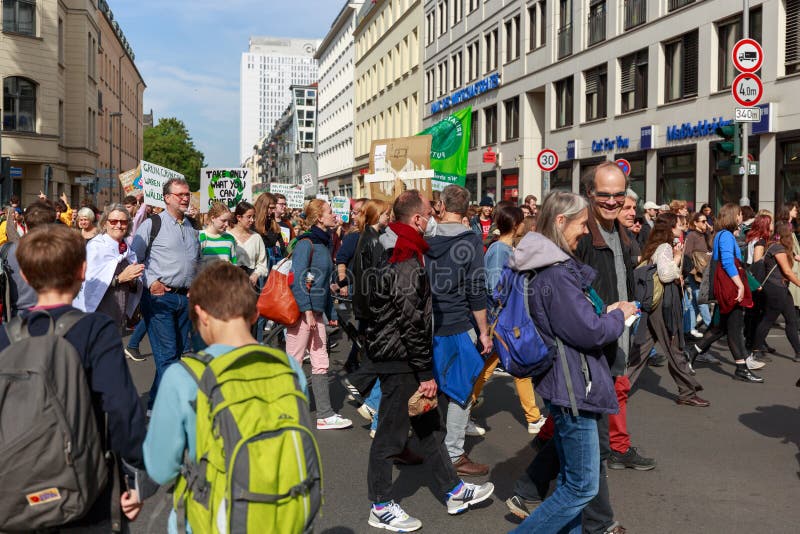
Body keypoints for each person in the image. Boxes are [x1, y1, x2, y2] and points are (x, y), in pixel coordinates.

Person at [2, 224, 152, 530]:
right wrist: (136, 473)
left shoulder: (4, 337)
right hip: (86, 487)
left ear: (26, 277)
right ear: (83, 271)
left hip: (16, 486)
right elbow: (122, 409)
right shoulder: (95, 330)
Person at [143, 261, 309, 533]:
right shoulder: (289, 369)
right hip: (281, 514)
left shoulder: (185, 376)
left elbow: (161, 468)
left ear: (201, 315)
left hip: (213, 518)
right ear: (254, 314)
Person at [364, 190, 493, 532]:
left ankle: (453, 490)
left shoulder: (398, 247)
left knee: (428, 428)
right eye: (428, 213)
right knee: (389, 437)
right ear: (418, 219)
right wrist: (424, 372)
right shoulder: (404, 256)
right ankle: (380, 505)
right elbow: (411, 322)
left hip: (397, 351)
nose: (433, 218)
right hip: (398, 358)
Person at [508, 190, 637, 534]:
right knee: (581, 488)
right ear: (561, 222)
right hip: (574, 387)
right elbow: (588, 332)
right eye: (582, 224)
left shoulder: (546, 266)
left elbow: (572, 322)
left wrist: (601, 313)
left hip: (567, 383)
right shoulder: (556, 272)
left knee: (571, 480)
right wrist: (617, 316)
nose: (585, 231)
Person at [425, 185, 493, 476]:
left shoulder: (425, 238)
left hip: (428, 323)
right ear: (467, 211)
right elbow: (477, 290)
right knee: (461, 391)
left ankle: (429, 445)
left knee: (433, 386)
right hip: (458, 322)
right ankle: (453, 454)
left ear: (441, 205)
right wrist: (484, 331)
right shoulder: (471, 240)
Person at [472, 203, 546, 434]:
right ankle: (532, 418)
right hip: (502, 320)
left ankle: (465, 404)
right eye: (522, 220)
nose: (525, 224)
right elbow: (495, 288)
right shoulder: (499, 251)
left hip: (503, 320)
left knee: (493, 367)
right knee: (514, 365)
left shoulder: (506, 249)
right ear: (515, 225)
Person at [131, 177, 200, 411]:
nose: (185, 198)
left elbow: (195, 260)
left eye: (187, 194)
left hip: (184, 298)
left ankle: (154, 403)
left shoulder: (191, 226)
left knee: (176, 354)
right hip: (159, 299)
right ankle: (165, 407)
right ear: (167, 198)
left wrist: (193, 286)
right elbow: (134, 258)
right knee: (168, 354)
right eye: (180, 194)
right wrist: (150, 282)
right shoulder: (153, 224)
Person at [629, 213, 708, 406]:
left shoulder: (654, 246)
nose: (682, 228)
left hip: (653, 304)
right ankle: (688, 392)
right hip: (663, 304)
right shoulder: (664, 247)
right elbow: (665, 275)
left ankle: (617, 387)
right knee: (674, 346)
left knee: (642, 348)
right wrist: (678, 258)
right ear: (670, 228)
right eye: (679, 225)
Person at [287, 199, 352, 430]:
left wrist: (330, 312)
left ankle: (324, 414)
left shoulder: (324, 243)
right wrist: (306, 311)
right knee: (294, 361)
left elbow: (324, 283)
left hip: (316, 313)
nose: (335, 215)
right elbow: (297, 279)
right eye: (330, 212)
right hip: (303, 313)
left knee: (321, 361)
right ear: (318, 218)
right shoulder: (307, 243)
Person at [685, 203, 764, 383]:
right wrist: (741, 285)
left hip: (725, 287)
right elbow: (728, 262)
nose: (740, 217)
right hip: (731, 288)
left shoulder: (720, 234)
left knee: (718, 328)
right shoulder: (727, 235)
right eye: (738, 214)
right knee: (734, 329)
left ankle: (690, 353)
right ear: (733, 216)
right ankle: (741, 368)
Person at [74, 204, 144, 336]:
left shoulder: (127, 249)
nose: (118, 225)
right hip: (98, 313)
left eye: (123, 222)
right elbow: (88, 283)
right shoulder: (96, 247)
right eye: (113, 221)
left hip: (119, 314)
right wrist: (119, 279)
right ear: (105, 224)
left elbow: (133, 286)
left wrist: (133, 280)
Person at [750, 221, 800, 362]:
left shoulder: (776, 246)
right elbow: (787, 272)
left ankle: (798, 352)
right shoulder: (777, 248)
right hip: (775, 289)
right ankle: (755, 350)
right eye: (790, 232)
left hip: (781, 288)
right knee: (768, 319)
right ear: (786, 233)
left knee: (791, 320)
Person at [2, 201, 61, 318]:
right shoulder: (63, 250)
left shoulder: (6, 250)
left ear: (26, 224)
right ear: (53, 224)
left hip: (17, 319)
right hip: (55, 317)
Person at [684, 212, 713, 338]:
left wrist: (711, 233)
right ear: (695, 223)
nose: (705, 224)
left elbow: (711, 247)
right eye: (702, 221)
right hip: (696, 271)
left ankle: (689, 328)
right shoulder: (692, 235)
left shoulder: (706, 234)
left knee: (695, 302)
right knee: (701, 298)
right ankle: (710, 325)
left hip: (704, 270)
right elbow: (687, 253)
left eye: (706, 221)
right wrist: (694, 268)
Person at [229, 201, 267, 286]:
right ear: (239, 217)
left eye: (253, 217)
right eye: (249, 217)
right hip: (231, 284)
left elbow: (262, 264)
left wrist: (256, 274)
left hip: (250, 285)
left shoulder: (256, 238)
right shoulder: (228, 237)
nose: (252, 220)